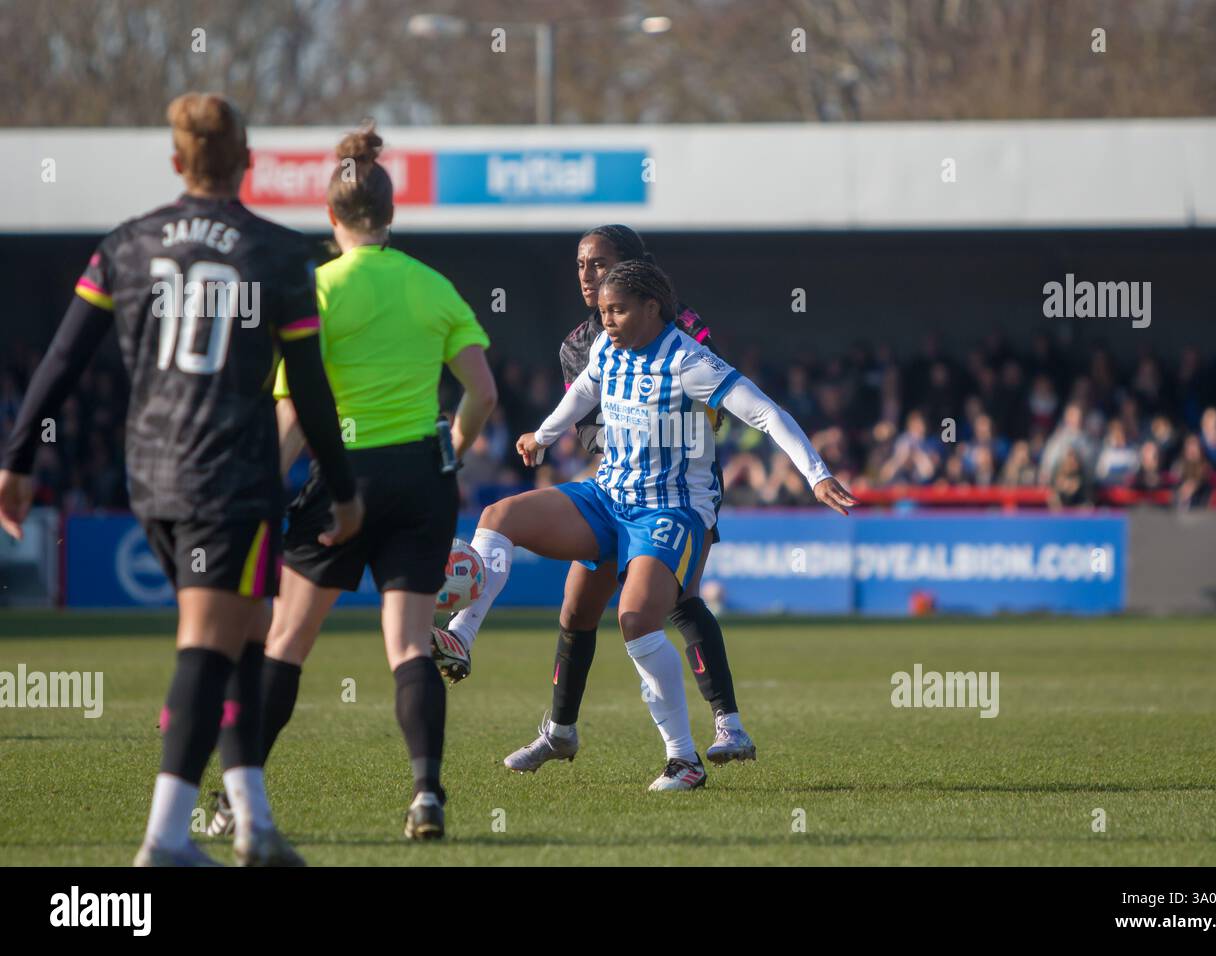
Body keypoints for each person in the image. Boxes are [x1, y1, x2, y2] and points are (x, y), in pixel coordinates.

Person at [0, 93, 362, 866]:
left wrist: (18, 456)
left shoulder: (126, 245)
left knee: (239, 638)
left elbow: (64, 357)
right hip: (228, 477)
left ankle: (255, 823)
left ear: (176, 163)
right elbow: (309, 385)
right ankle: (165, 839)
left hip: (152, 474)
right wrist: (342, 485)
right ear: (249, 163)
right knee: (207, 643)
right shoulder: (279, 254)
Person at [437, 260, 855, 790]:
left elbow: (766, 413)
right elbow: (585, 391)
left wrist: (815, 475)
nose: (606, 320)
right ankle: (461, 636)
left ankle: (684, 760)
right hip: (607, 495)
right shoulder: (607, 349)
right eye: (603, 310)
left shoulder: (688, 361)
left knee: (635, 619)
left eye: (618, 310)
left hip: (670, 509)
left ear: (652, 307)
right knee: (499, 518)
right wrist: (543, 436)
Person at [208, 123, 496, 841]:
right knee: (407, 646)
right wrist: (453, 448)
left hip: (346, 478)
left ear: (331, 218)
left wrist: (258, 495)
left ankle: (232, 801)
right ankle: (427, 793)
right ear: (390, 216)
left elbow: (295, 417)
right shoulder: (433, 286)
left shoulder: (317, 288)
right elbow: (481, 392)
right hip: (424, 478)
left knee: (287, 642)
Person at [434, 224, 757, 771]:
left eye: (600, 263)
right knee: (578, 607)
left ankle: (728, 725)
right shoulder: (577, 346)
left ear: (634, 271)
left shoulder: (680, 327)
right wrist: (593, 443)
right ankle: (559, 730)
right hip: (614, 488)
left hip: (678, 489)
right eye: (581, 264)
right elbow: (584, 422)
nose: (587, 275)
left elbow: (716, 405)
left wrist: (653, 437)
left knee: (674, 600)